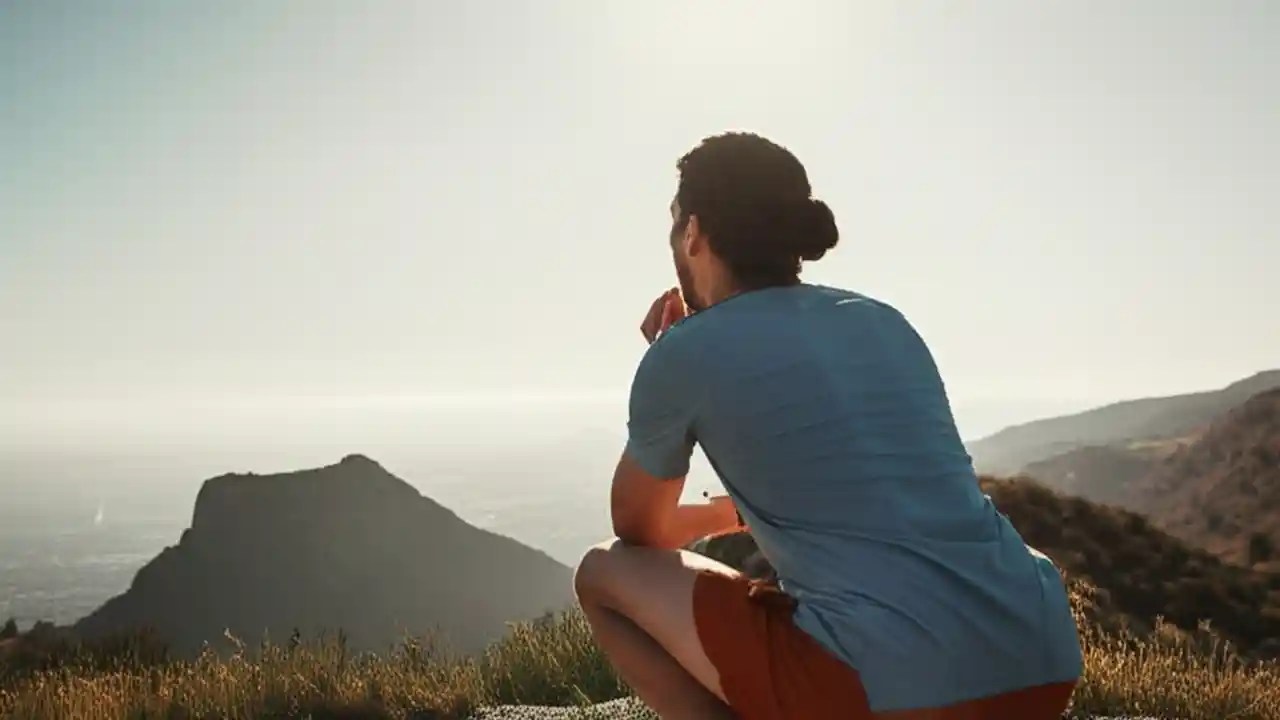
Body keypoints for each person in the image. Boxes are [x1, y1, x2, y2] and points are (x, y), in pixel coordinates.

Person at [572, 131, 1083, 719]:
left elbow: (641, 532)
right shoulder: (883, 320)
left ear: (692, 232)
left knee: (601, 571)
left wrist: (677, 360)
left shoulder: (682, 352)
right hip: (1040, 661)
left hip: (888, 690)